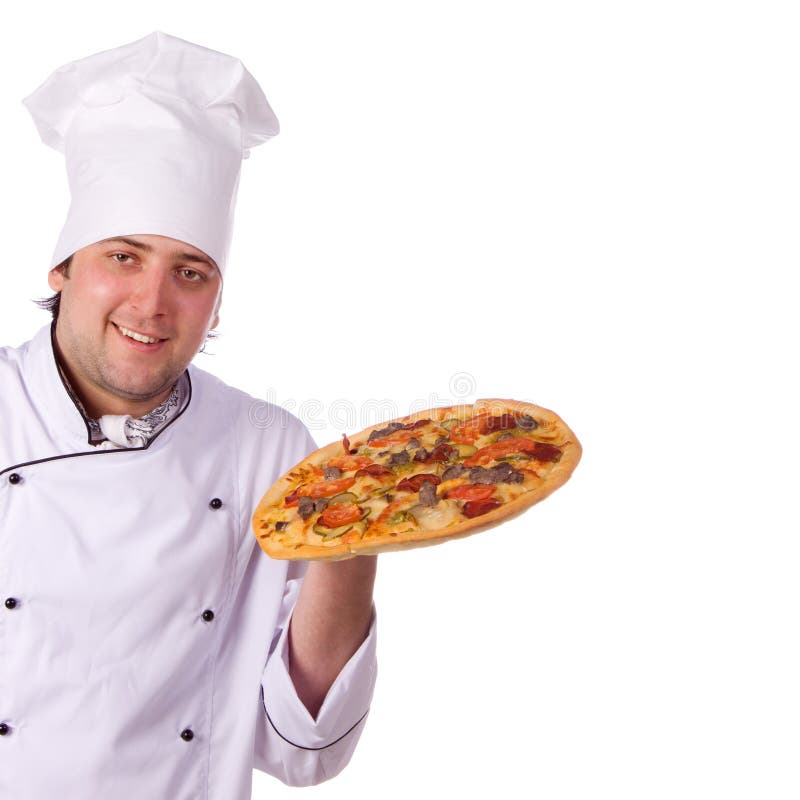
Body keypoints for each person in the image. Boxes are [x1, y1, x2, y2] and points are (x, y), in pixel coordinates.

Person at [0, 32, 377, 798]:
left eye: (191, 272)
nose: (152, 303)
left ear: (217, 299)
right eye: (123, 256)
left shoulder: (270, 453)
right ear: (63, 267)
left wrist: (355, 537)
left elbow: (303, 748)